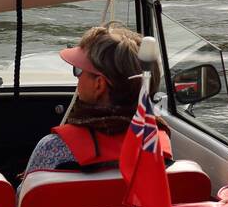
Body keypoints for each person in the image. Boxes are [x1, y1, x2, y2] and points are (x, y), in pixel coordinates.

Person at [23, 23, 171, 174]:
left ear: (99, 85)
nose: (77, 77)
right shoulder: (159, 144)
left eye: (79, 70)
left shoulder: (52, 148)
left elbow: (24, 196)